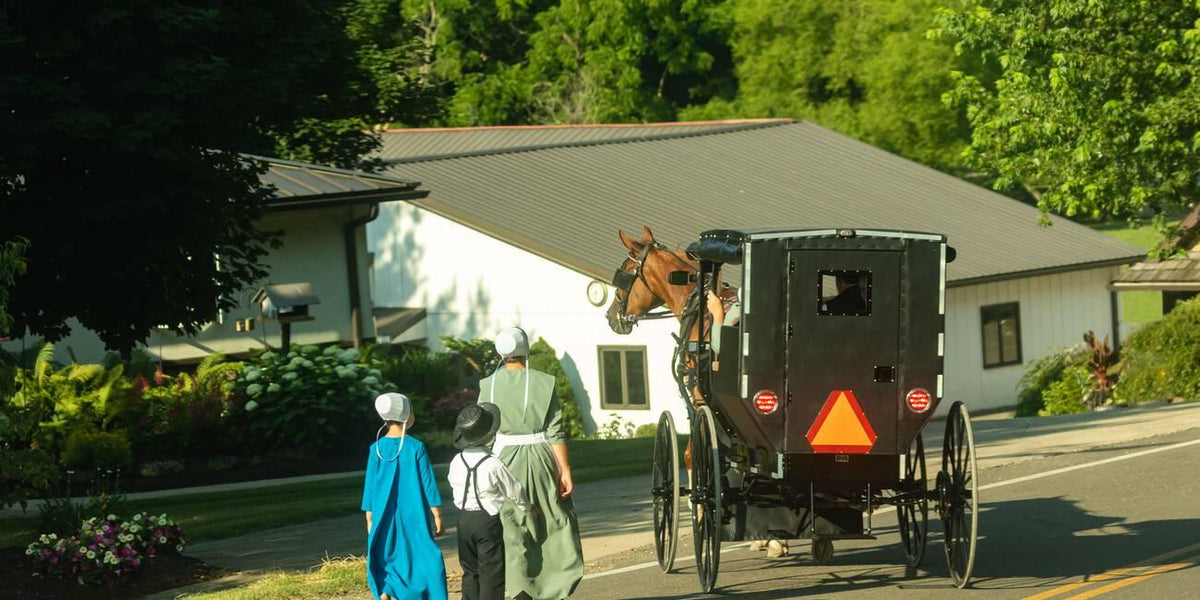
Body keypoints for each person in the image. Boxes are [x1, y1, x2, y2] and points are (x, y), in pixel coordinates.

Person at [478, 327, 584, 600]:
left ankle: (519, 590)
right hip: (541, 459)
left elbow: (483, 433)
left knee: (512, 526)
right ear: (525, 350)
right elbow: (555, 430)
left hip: (502, 461)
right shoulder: (544, 382)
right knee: (552, 521)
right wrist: (566, 470)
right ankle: (553, 589)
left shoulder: (486, 386)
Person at [361, 392, 447, 600]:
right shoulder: (416, 447)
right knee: (426, 557)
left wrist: (369, 517)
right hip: (414, 513)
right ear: (406, 415)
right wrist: (437, 514)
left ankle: (387, 589)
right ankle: (428, 594)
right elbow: (428, 483)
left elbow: (370, 486)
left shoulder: (376, 448)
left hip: (383, 513)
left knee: (391, 555)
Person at [448, 403, 530, 600]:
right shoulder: (493, 462)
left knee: (470, 570)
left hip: (464, 520)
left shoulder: (456, 461)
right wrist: (525, 506)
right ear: (488, 435)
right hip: (487, 521)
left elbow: (453, 484)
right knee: (491, 572)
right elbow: (514, 489)